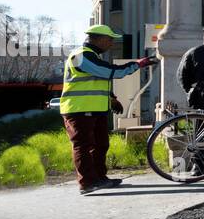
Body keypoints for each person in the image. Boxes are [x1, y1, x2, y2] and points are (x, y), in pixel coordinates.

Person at [60, 25, 157, 194]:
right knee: (83, 146)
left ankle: (99, 178)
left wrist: (111, 98)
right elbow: (110, 72)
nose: (112, 43)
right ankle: (87, 183)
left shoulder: (92, 56)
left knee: (100, 145)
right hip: (79, 110)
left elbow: (97, 79)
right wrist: (137, 64)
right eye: (110, 39)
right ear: (97, 39)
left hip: (94, 109)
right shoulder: (81, 56)